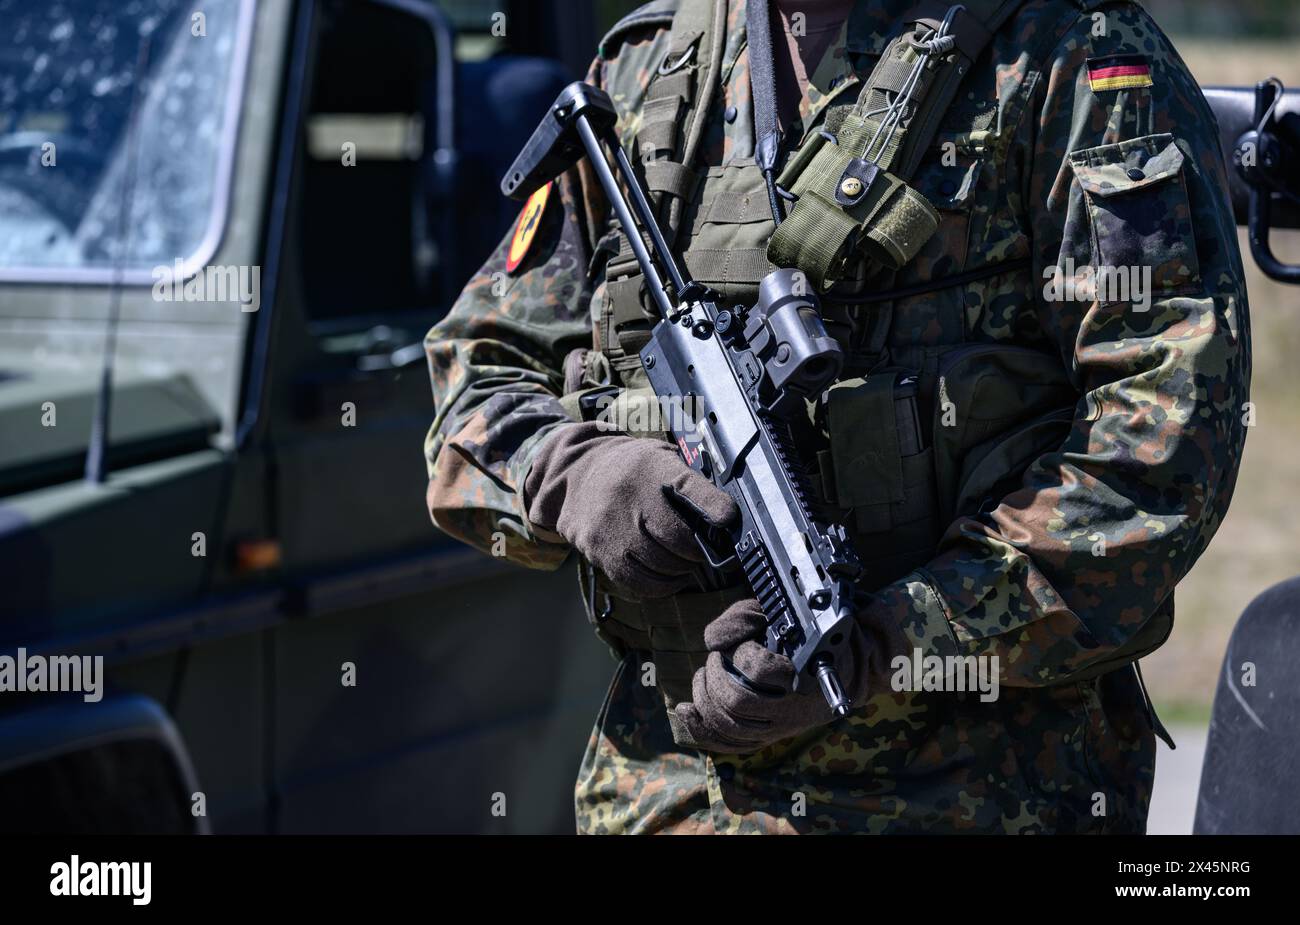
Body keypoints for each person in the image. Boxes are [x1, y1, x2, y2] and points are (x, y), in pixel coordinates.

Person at [423, 0, 1250, 834]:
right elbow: (477, 373)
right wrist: (574, 473)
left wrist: (891, 643)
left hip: (984, 797)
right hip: (672, 796)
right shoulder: (648, 67)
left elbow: (1162, 449)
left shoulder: (1072, 55)